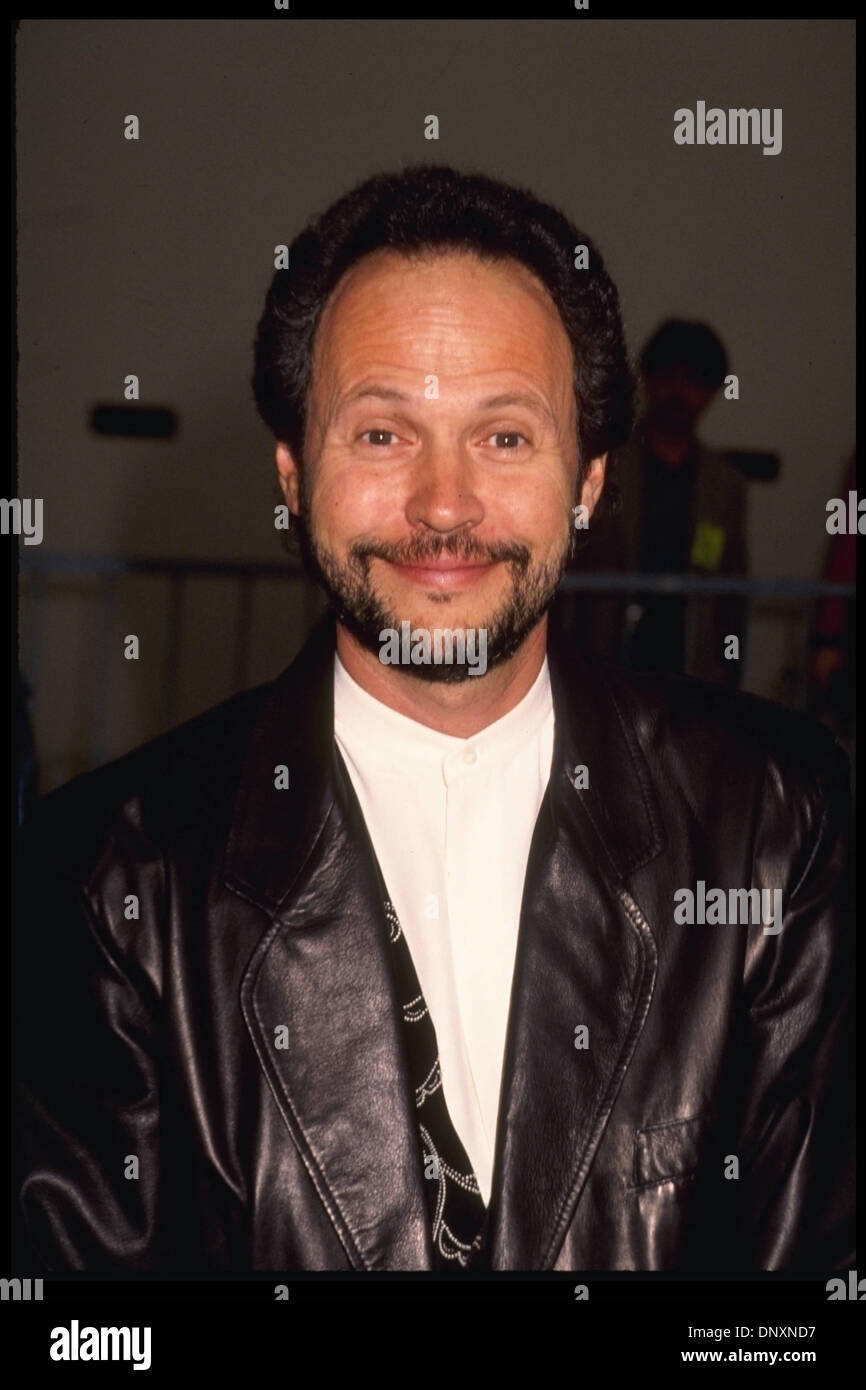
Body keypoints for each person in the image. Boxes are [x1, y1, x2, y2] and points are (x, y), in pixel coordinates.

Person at [14, 165, 853, 1274]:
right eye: (380, 434)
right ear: (292, 472)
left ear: (588, 480)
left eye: (504, 436)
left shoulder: (773, 828)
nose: (444, 505)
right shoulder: (109, 882)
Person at [563, 320, 749, 685]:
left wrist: (728, 674)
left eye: (694, 381)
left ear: (711, 392)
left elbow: (733, 590)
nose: (680, 391)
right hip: (604, 659)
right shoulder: (603, 465)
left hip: (690, 662)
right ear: (647, 380)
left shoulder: (725, 483)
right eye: (669, 376)